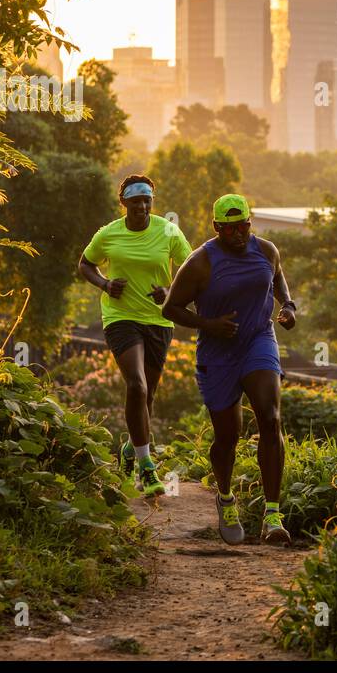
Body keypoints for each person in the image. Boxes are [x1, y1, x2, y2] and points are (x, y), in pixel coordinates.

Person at [162, 193, 296, 545]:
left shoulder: (266, 250)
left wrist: (289, 306)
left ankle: (273, 515)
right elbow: (170, 308)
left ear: (251, 223)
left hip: (258, 340)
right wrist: (208, 324)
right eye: (230, 229)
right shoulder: (200, 263)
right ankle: (225, 497)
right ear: (216, 228)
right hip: (217, 352)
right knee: (228, 436)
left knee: (270, 417)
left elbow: (277, 277)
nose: (239, 234)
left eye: (244, 226)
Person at [77, 175, 191, 497]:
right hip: (120, 317)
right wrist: (104, 284)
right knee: (136, 384)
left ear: (151, 202)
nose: (142, 206)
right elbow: (85, 264)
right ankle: (147, 466)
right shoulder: (108, 233)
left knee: (148, 395)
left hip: (159, 320)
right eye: (135, 201)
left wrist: (170, 291)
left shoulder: (168, 230)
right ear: (123, 203)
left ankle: (129, 450)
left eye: (147, 200)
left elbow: (191, 268)